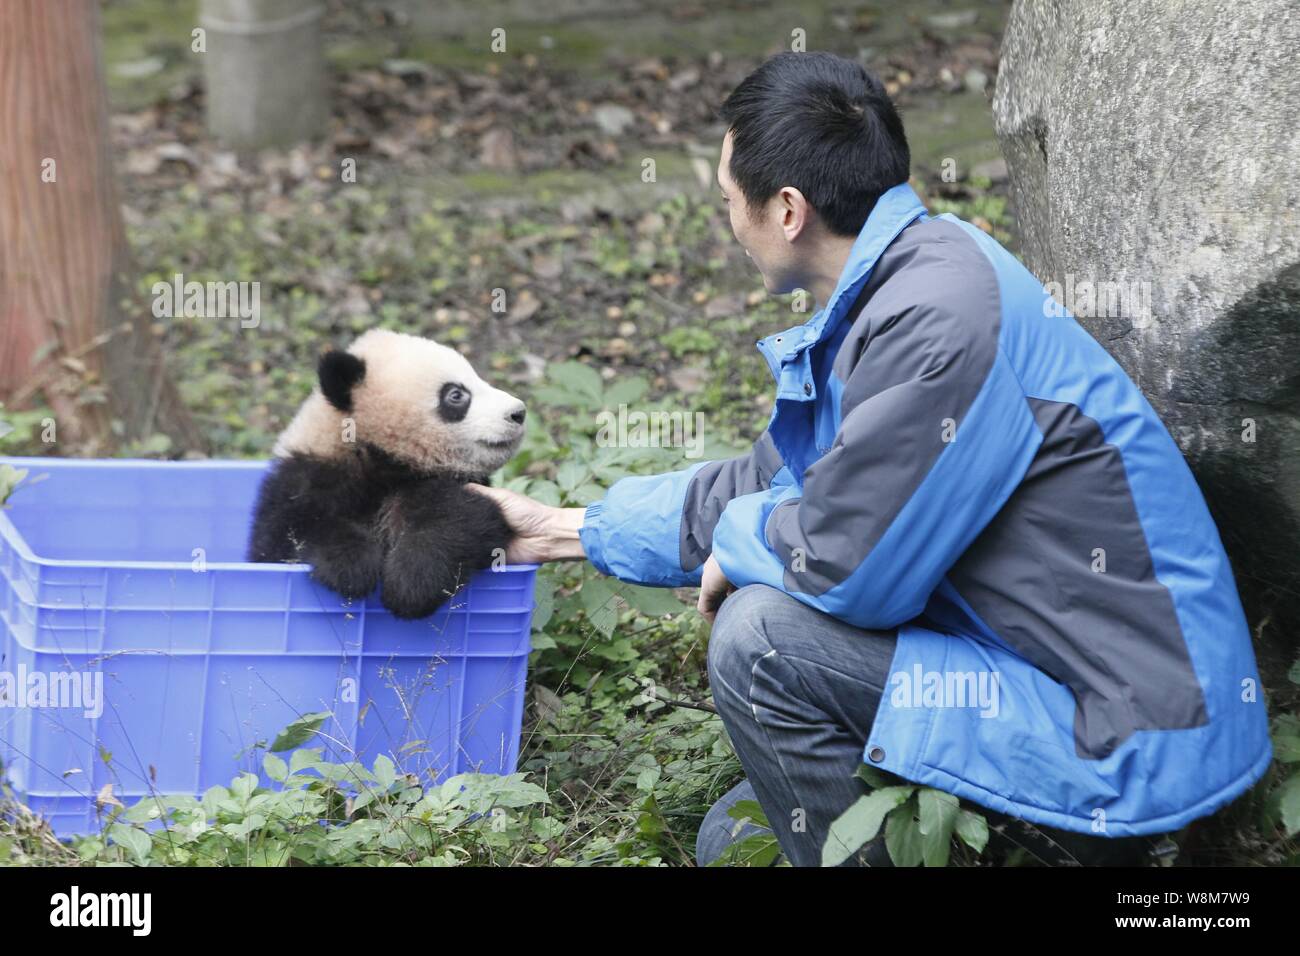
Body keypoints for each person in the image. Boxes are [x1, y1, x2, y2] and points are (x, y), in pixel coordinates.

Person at [470, 52, 1272, 867]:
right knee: (735, 837)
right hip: (1035, 678)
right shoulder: (904, 281)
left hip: (1131, 745)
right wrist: (565, 530)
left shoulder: (938, 318)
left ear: (787, 210)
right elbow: (771, 485)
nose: (728, 222)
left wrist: (742, 548)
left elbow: (848, 569)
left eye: (726, 202)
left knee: (762, 641)